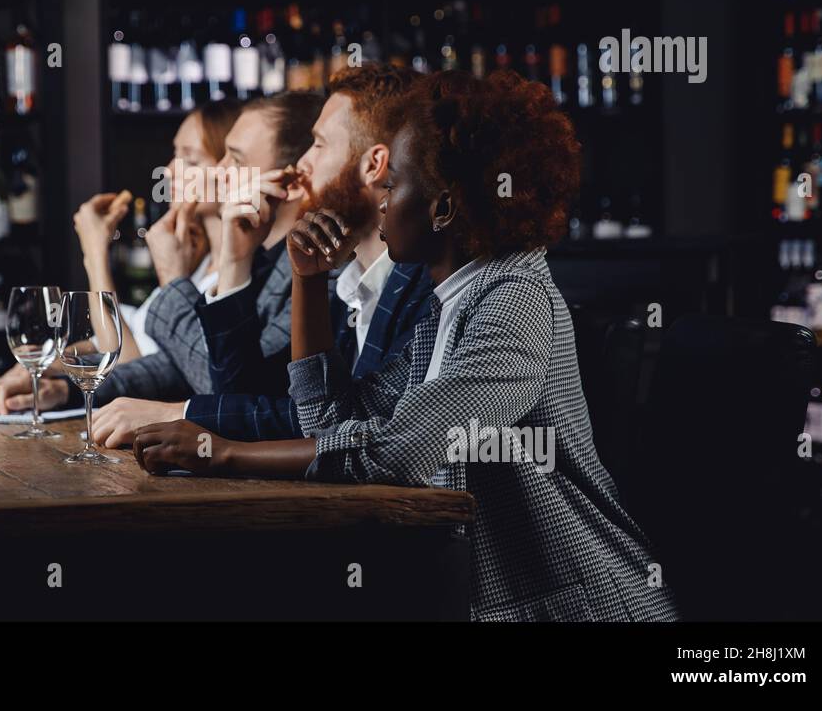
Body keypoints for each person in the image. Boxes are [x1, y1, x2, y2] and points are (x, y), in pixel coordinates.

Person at [131, 69, 680, 622]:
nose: (377, 196)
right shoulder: (447, 307)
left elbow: (406, 449)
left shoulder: (516, 298)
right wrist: (308, 280)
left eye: (392, 185)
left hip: (574, 608)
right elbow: (333, 421)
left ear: (442, 207)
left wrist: (225, 453)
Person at [91, 64, 434, 446]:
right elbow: (277, 398)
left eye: (318, 145)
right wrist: (75, 385)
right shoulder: (343, 273)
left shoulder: (404, 280)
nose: (304, 164)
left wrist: (182, 415)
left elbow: (330, 422)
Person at [0, 91, 321, 416]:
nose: (218, 172)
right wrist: (64, 388)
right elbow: (168, 367)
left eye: (234, 159)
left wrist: (163, 275)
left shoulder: (309, 272)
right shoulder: (258, 260)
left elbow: (230, 391)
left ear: (291, 181)